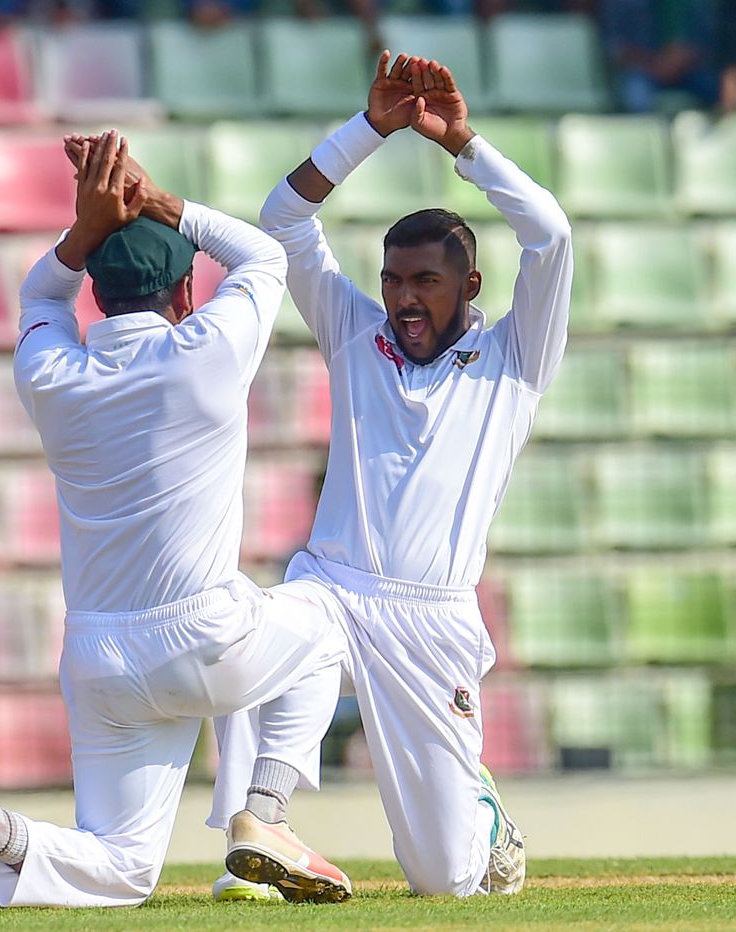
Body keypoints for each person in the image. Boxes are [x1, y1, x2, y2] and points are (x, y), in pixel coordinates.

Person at [0, 132, 351, 910]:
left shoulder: (52, 374)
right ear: (183, 298)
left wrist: (85, 230)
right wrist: (157, 200)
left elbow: (39, 298)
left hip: (100, 654)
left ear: (98, 299)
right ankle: (266, 815)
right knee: (335, 611)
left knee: (123, 868)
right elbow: (265, 256)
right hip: (207, 639)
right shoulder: (205, 353)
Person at [211, 51, 573, 898]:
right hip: (331, 583)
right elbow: (282, 220)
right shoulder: (351, 329)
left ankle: (481, 812)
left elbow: (551, 234)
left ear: (470, 286)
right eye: (393, 280)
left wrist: (462, 143)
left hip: (434, 623)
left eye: (426, 283)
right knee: (268, 635)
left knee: (446, 880)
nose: (405, 299)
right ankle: (263, 826)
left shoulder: (515, 356)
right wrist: (370, 130)